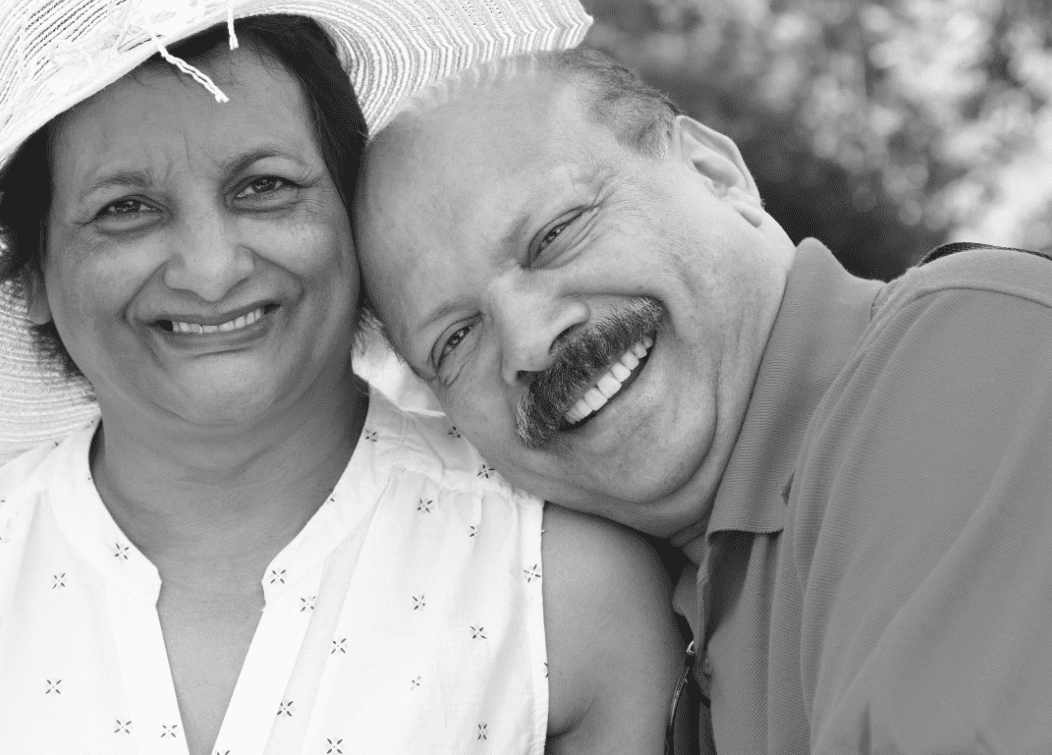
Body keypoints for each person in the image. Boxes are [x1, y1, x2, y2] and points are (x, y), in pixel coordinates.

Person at [0, 0, 681, 755]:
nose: (211, 268)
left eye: (265, 186)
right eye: (125, 208)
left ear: (348, 211)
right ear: (35, 275)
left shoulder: (564, 591)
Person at [350, 47, 1052, 754]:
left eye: (554, 235)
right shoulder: (633, 624)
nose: (529, 343)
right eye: (455, 340)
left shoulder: (966, 353)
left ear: (716, 176)